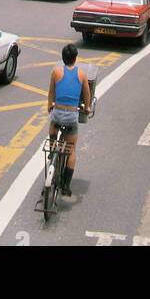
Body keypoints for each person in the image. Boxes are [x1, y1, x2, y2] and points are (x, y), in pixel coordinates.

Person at [46, 44, 92, 197]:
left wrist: (49, 105)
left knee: (53, 125)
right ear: (75, 58)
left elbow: (51, 92)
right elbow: (87, 94)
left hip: (58, 114)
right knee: (71, 149)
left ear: (63, 58)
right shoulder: (82, 74)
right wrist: (87, 107)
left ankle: (52, 148)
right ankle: (66, 186)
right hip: (72, 116)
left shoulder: (56, 71)